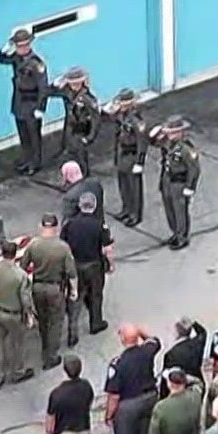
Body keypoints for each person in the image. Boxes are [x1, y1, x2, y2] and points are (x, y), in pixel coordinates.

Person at [106, 324, 163, 434]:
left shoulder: (118, 363)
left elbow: (114, 395)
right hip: (150, 399)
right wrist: (140, 332)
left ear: (123, 340)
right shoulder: (147, 351)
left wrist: (109, 415)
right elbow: (155, 341)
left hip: (129, 405)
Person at [0, 241, 36, 389]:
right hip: (13, 315)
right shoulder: (20, 275)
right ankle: (18, 372)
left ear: (1, 252)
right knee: (18, 343)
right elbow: (25, 298)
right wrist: (29, 314)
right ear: (15, 254)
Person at [24, 214, 76, 369]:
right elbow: (71, 273)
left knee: (43, 319)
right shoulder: (63, 247)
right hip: (55, 288)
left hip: (37, 287)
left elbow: (22, 266)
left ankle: (45, 347)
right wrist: (73, 290)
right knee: (55, 322)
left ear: (41, 226)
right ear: (56, 228)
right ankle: (50, 357)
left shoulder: (33, 245)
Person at [0, 28, 49, 174]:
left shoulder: (36, 63)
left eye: (22, 46)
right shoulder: (16, 58)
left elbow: (43, 87)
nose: (20, 49)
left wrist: (41, 108)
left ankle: (35, 163)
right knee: (23, 135)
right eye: (17, 46)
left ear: (28, 45)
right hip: (19, 102)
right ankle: (26, 160)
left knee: (34, 136)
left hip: (32, 103)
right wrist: (7, 47)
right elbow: (1, 59)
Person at [62, 192, 113, 336]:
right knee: (96, 294)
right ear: (94, 206)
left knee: (75, 296)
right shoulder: (99, 225)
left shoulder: (70, 224)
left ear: (80, 205)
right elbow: (107, 248)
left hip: (75, 265)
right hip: (94, 265)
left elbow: (63, 245)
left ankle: (72, 330)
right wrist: (111, 264)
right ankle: (96, 323)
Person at [150, 116, 201, 249]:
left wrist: (190, 187)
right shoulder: (167, 143)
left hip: (179, 182)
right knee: (169, 209)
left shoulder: (186, 148)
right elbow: (153, 142)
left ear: (180, 132)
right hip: (167, 180)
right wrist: (155, 132)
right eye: (168, 132)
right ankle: (175, 232)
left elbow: (194, 169)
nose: (169, 135)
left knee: (180, 211)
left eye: (172, 132)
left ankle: (182, 236)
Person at [104, 88, 148, 225]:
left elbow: (142, 142)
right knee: (124, 185)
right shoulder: (120, 115)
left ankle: (135, 214)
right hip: (121, 153)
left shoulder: (136, 120)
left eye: (122, 103)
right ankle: (126, 209)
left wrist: (140, 162)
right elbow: (106, 117)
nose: (120, 105)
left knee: (134, 187)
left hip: (132, 155)